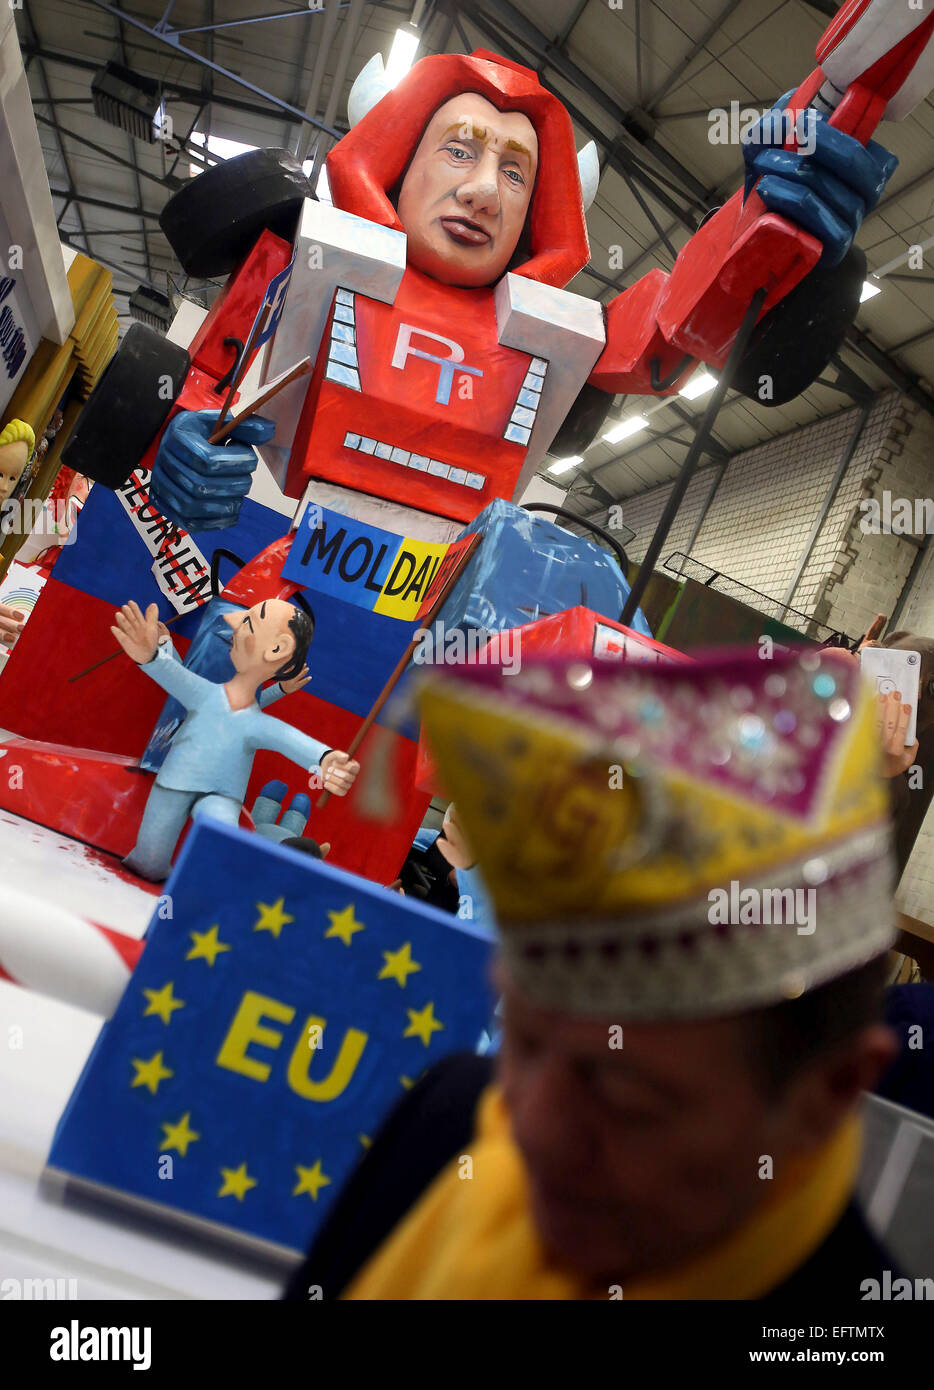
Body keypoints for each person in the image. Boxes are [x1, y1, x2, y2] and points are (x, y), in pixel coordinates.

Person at [285, 645, 904, 1299]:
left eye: (622, 1095)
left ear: (831, 1090)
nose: (534, 1127)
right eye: (523, 1043)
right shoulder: (442, 1130)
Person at [111, 597, 359, 880]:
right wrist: (150, 656)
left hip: (221, 796)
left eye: (250, 620)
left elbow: (290, 740)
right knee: (148, 863)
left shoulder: (251, 721)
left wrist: (326, 761)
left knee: (219, 838)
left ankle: (204, 886)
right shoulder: (205, 695)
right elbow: (175, 676)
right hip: (174, 784)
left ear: (278, 648)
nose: (231, 621)